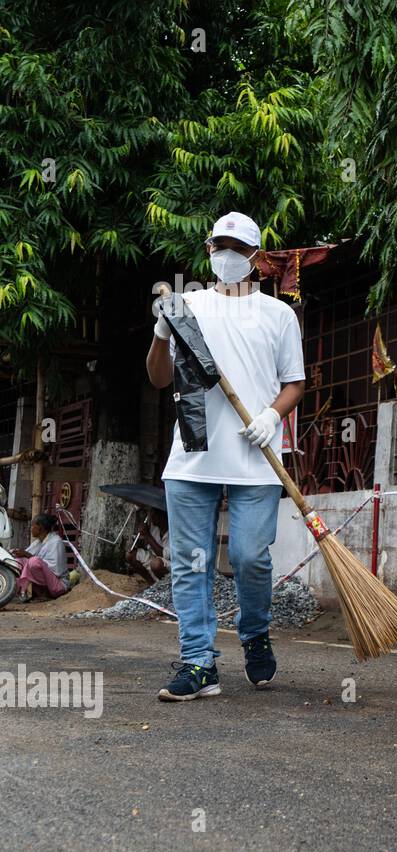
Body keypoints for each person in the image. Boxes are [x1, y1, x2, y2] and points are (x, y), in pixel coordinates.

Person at [146, 211, 305, 702]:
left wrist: (272, 417)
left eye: (237, 248)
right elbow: (157, 379)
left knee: (249, 557)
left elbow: (295, 382)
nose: (226, 255)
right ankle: (198, 663)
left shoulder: (279, 315)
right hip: (193, 457)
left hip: (256, 458)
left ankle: (254, 631)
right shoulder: (185, 306)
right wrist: (159, 333)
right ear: (208, 249)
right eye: (219, 245)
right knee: (192, 563)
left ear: (255, 258)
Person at [12, 513, 70, 602]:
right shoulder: (38, 542)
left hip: (58, 585)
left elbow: (54, 569)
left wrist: (27, 555)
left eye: (32, 526)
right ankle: (17, 590)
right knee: (19, 561)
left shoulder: (56, 541)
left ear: (40, 527)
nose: (30, 529)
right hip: (48, 582)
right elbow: (26, 557)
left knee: (34, 562)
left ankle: (45, 594)